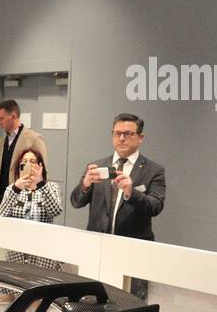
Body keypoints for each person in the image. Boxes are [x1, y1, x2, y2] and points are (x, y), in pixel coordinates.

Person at [71, 112, 166, 301]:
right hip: (99, 248)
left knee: (131, 303)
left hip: (134, 249)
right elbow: (76, 201)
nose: (122, 138)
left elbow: (156, 206)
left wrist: (132, 192)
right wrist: (86, 185)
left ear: (140, 138)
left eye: (129, 134)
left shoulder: (153, 170)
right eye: (117, 133)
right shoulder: (97, 166)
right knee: (94, 301)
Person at [0, 148, 63, 299]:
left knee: (39, 287)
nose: (28, 165)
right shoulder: (12, 189)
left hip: (43, 247)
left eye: (32, 161)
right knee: (16, 280)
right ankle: (13, 292)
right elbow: (2, 213)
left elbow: (56, 210)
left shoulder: (51, 187)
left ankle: (39, 296)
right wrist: (16, 188)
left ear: (40, 166)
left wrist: (41, 184)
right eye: (24, 162)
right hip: (17, 246)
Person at [0, 99, 47, 210]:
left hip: (23, 203)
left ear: (13, 116)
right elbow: (2, 172)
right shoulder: (2, 142)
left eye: (2, 118)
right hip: (3, 201)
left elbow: (42, 173)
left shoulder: (34, 139)